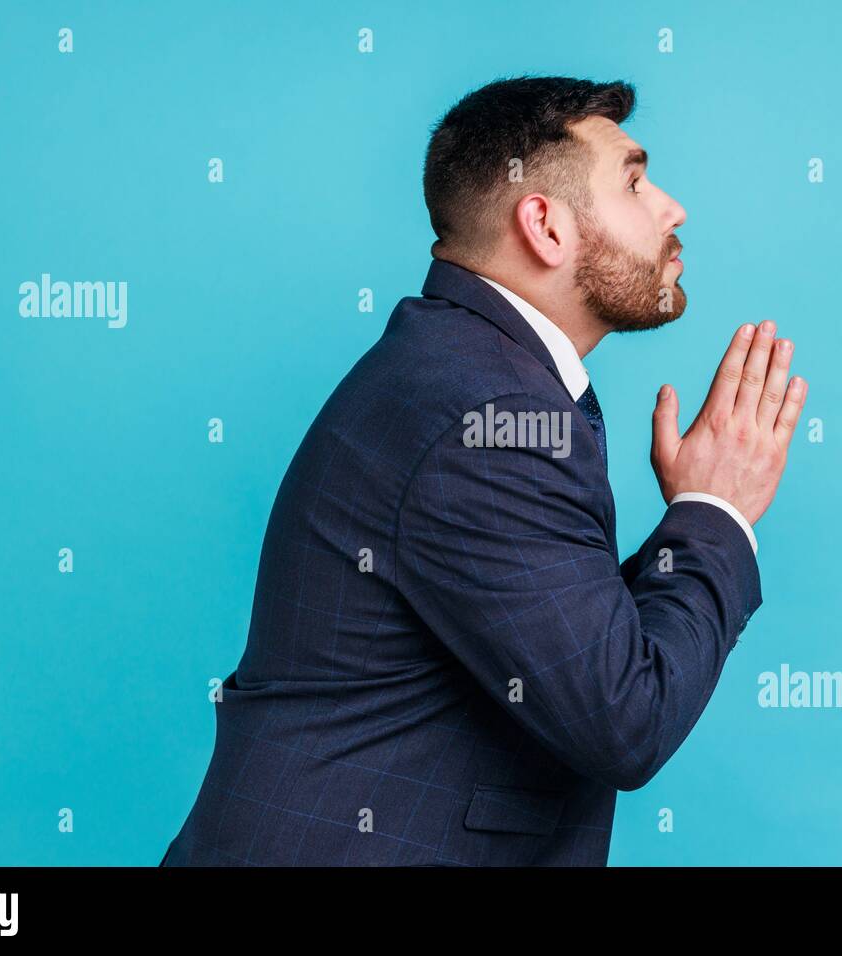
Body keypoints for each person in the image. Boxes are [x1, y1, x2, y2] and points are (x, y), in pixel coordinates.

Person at [160, 75, 807, 867]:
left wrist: (696, 521)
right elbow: (624, 719)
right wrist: (716, 511)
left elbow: (566, 651)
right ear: (545, 225)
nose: (672, 208)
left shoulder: (467, 375)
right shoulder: (487, 415)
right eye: (635, 182)